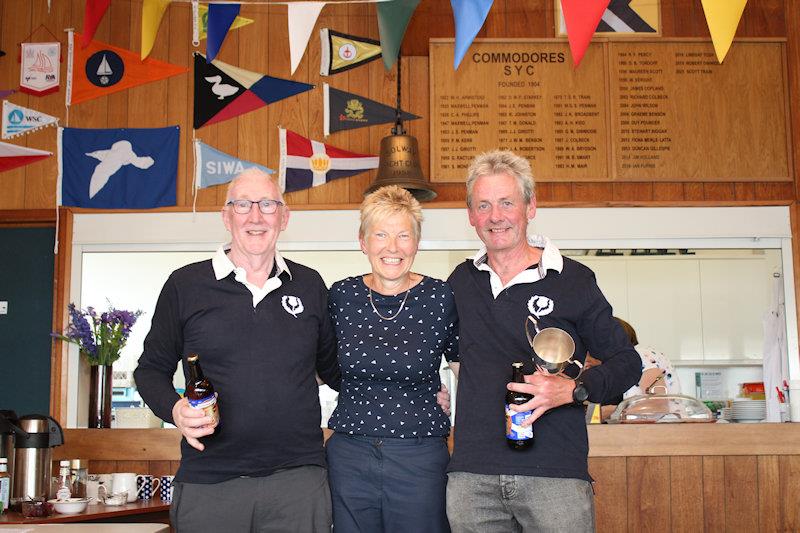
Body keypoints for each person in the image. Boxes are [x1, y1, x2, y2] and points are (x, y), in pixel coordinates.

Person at [134, 168, 340, 532]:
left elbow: (336, 370)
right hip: (210, 481)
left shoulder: (310, 285)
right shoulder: (185, 284)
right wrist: (175, 409)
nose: (255, 216)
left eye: (268, 204)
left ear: (284, 217)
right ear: (226, 216)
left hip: (298, 482)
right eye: (243, 204)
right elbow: (150, 370)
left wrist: (415, 389)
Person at [445, 150, 642, 532]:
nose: (495, 216)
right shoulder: (461, 281)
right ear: (471, 215)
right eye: (483, 205)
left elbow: (627, 362)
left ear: (530, 206)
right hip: (472, 478)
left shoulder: (573, 280)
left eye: (507, 202)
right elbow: (432, 347)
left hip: (555, 475)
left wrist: (574, 390)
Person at [326, 185, 460, 533]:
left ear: (417, 243)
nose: (393, 247)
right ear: (363, 241)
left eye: (403, 235)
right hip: (350, 454)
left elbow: (468, 370)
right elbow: (313, 367)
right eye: (381, 234)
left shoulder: (439, 296)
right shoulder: (341, 296)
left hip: (420, 456)